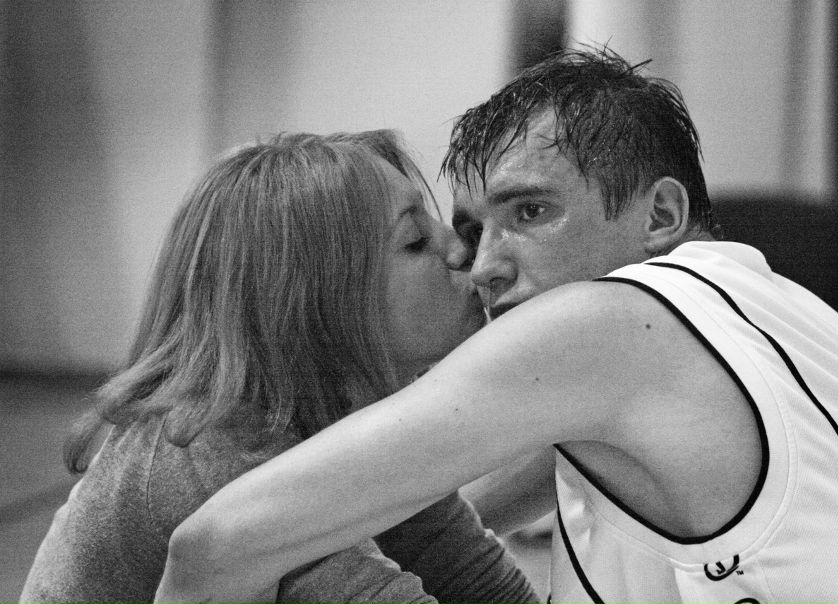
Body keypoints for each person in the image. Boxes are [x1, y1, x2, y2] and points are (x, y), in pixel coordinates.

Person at [154, 48, 838, 604]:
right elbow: (445, 512)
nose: (481, 267)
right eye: (471, 231)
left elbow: (216, 548)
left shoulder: (603, 325)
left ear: (661, 215)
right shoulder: (767, 308)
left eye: (532, 212)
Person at [19, 130, 540, 604]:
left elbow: (481, 585)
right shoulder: (213, 448)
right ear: (315, 299)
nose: (464, 251)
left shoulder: (360, 405)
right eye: (416, 242)